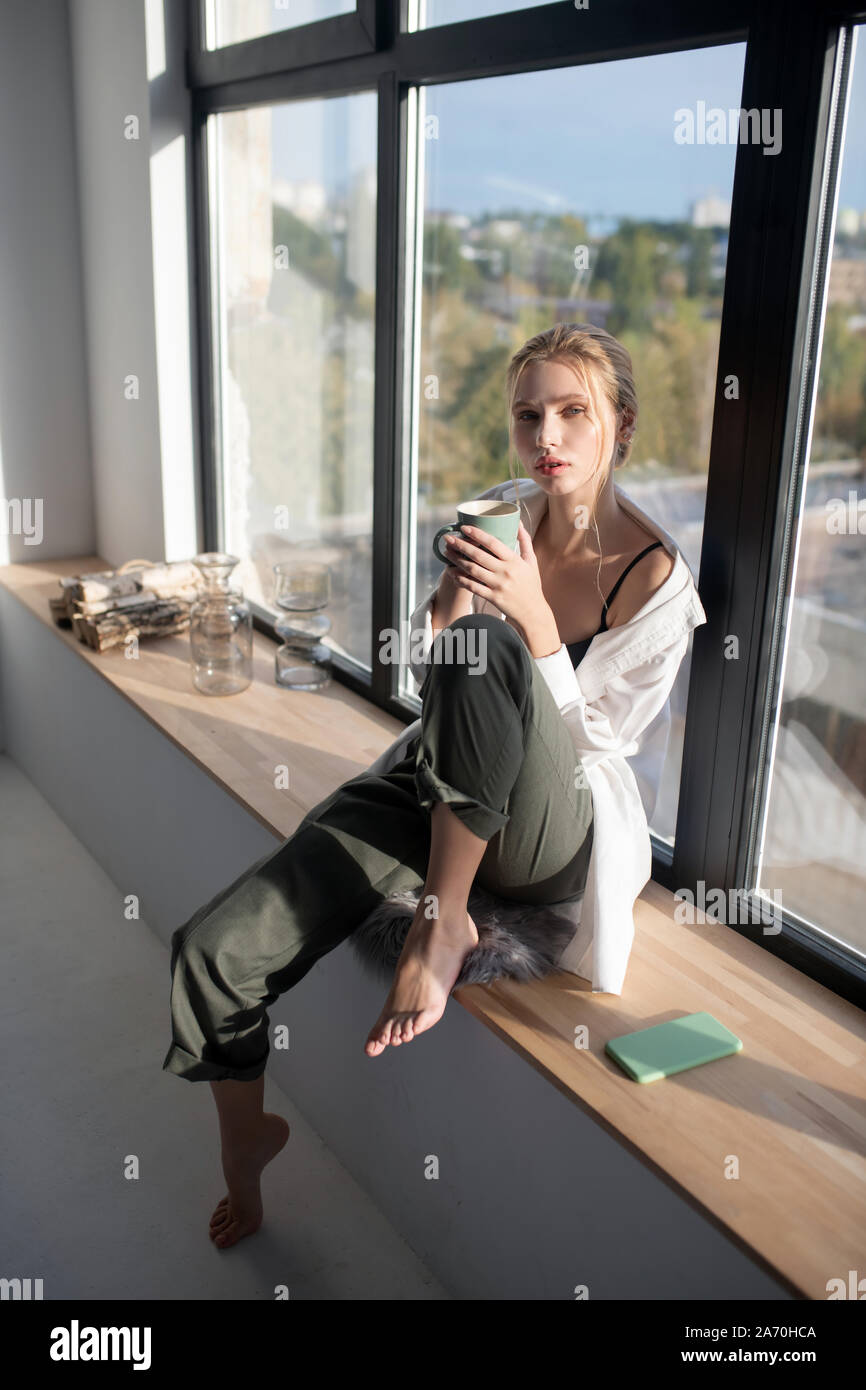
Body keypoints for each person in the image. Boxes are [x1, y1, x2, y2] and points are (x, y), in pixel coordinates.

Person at [162, 321, 706, 1249]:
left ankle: (442, 920)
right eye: (529, 413)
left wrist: (528, 619)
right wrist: (451, 602)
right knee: (210, 952)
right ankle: (245, 1141)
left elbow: (603, 741)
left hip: (551, 823)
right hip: (443, 771)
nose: (549, 436)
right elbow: (435, 676)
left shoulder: (658, 581)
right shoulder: (502, 509)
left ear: (620, 422)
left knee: (489, 644)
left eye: (575, 412)